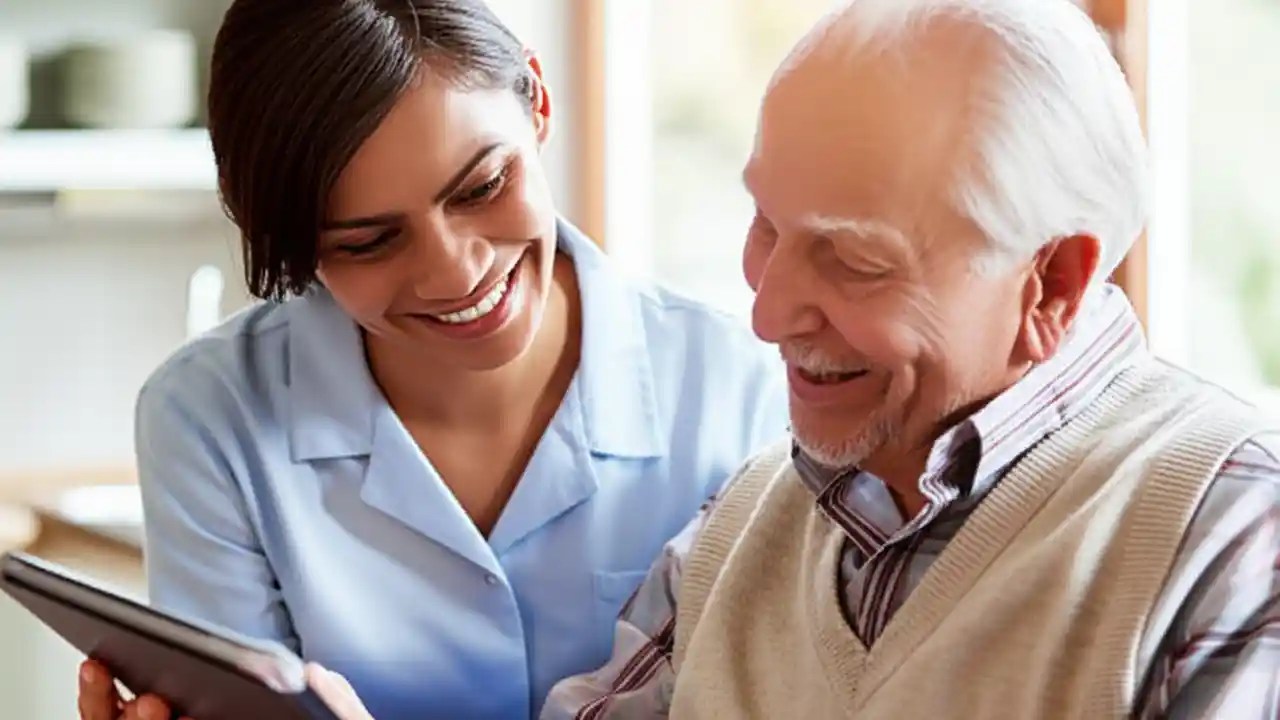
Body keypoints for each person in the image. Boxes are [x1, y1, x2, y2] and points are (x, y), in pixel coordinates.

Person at [539, 0, 1280, 718]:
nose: (767, 315)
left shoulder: (1236, 537)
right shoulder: (739, 526)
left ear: (1051, 285)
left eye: (854, 260)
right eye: (766, 224)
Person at [75, 1, 788, 719]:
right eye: (368, 242)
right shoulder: (208, 419)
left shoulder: (740, 391)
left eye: (482, 188)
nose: (453, 275)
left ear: (536, 100)